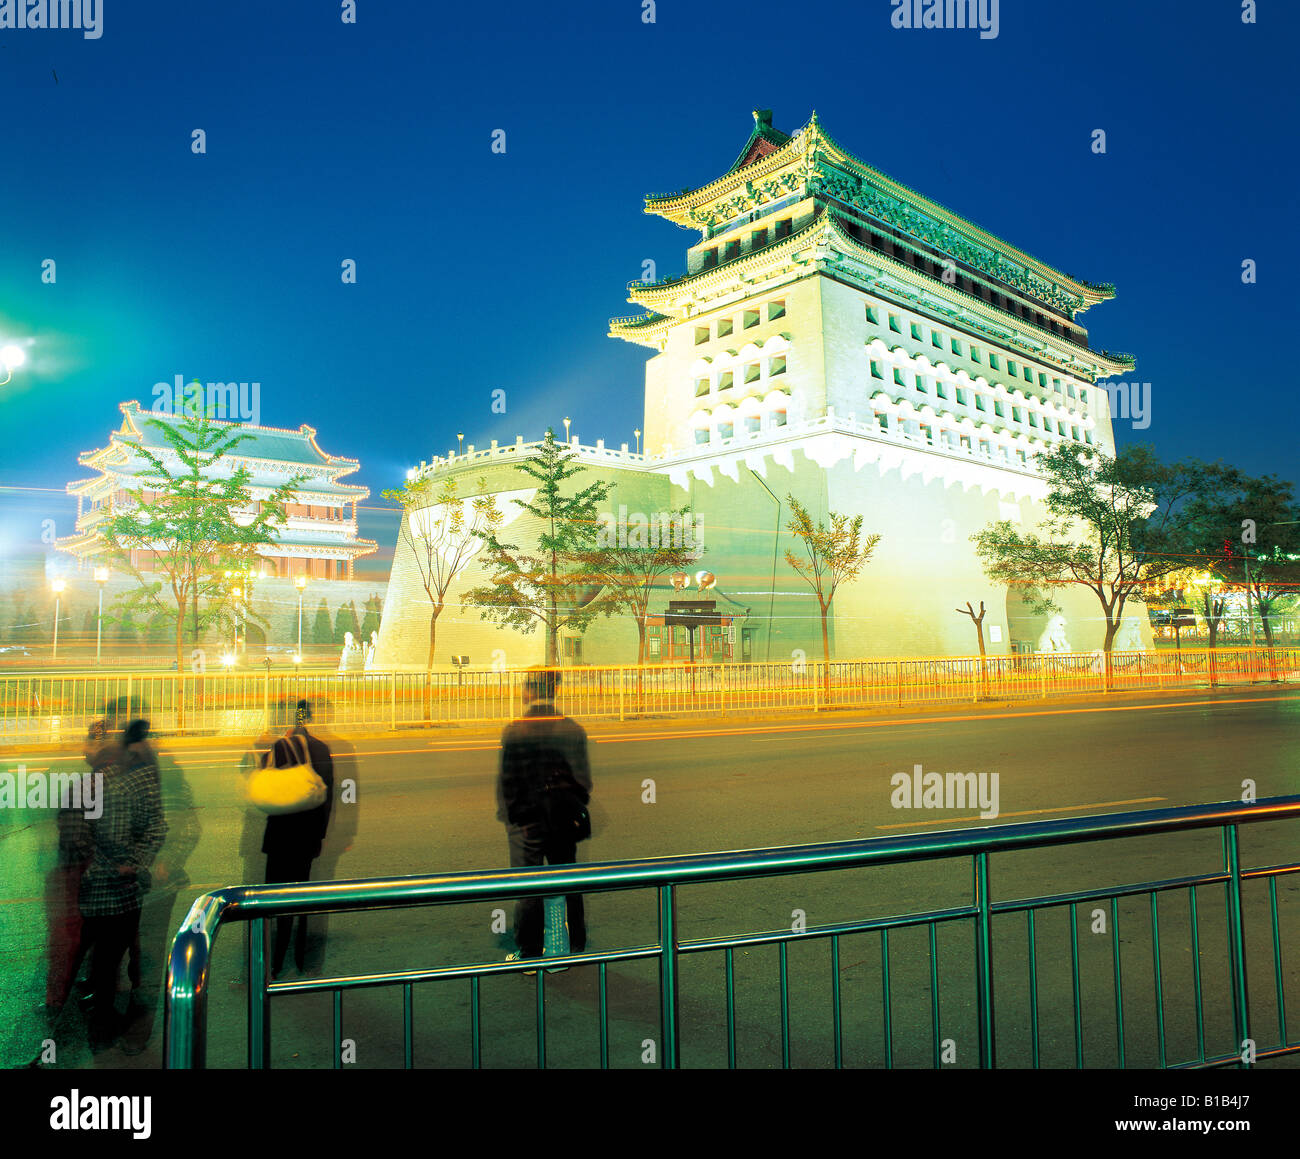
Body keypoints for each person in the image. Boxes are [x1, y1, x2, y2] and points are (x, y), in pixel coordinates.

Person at [77, 707, 167, 1051]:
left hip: (110, 883)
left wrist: (129, 864)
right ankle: (112, 1013)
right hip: (118, 884)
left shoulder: (122, 778)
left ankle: (105, 1020)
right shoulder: (132, 773)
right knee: (116, 947)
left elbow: (119, 833)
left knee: (109, 949)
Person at [496, 668, 592, 971]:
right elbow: (583, 782)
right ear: (555, 691)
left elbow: (508, 784)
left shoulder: (515, 730)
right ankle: (575, 944)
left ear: (529, 691)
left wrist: (513, 817)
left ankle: (530, 950)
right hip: (563, 820)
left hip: (527, 823)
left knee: (528, 885)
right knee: (566, 877)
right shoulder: (573, 730)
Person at [261, 699, 334, 977]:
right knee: (301, 893)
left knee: (273, 897)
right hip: (307, 834)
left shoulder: (278, 747)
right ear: (311, 718)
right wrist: (322, 835)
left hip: (279, 834)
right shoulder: (321, 748)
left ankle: (275, 961)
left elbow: (264, 787)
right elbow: (328, 797)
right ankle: (302, 959)